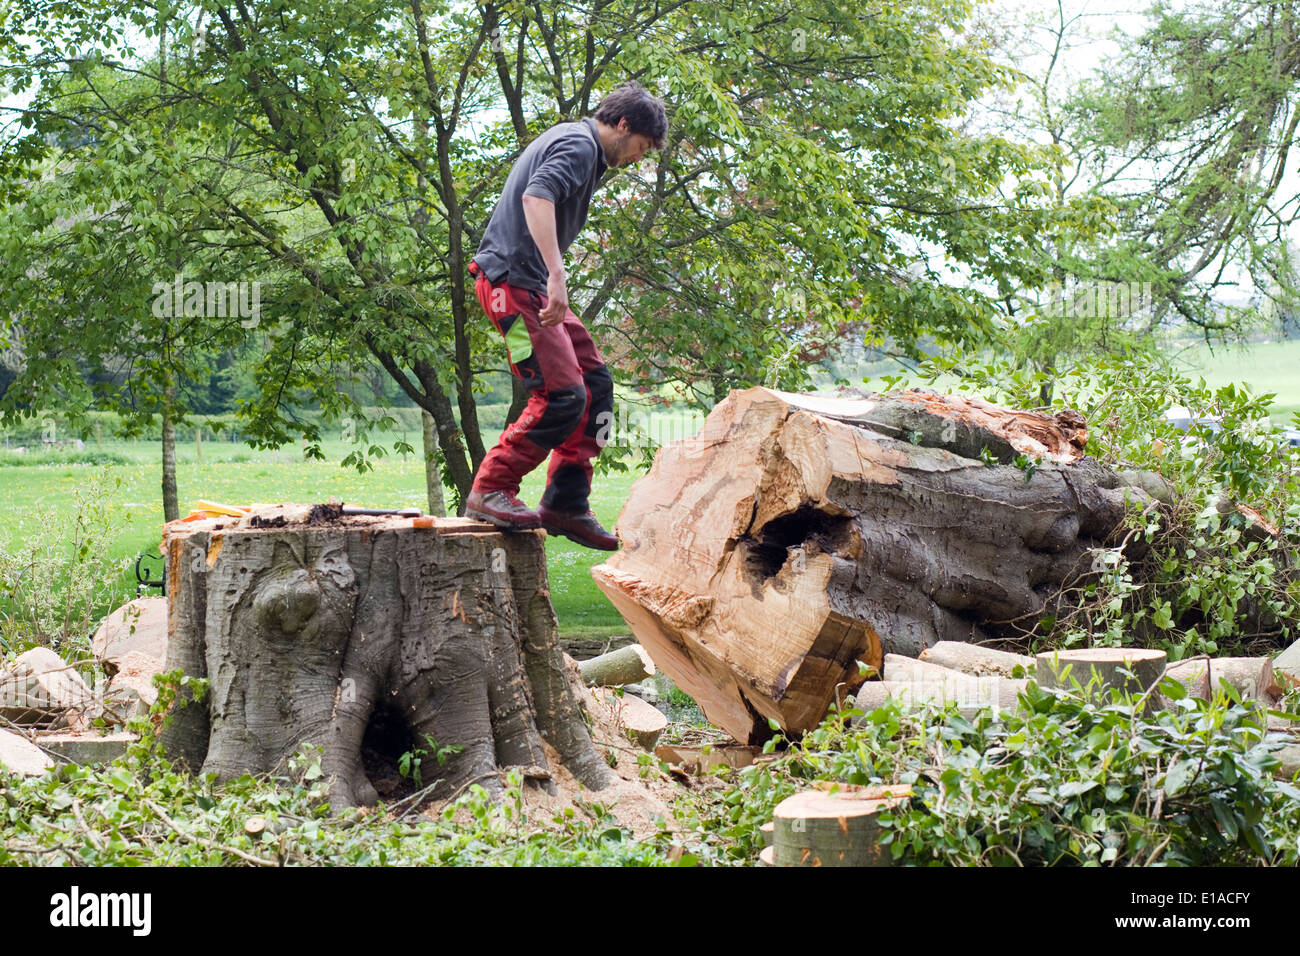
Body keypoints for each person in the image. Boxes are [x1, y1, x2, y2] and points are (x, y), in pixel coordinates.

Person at [466, 81, 667, 550]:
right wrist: (558, 276)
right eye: (640, 147)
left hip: (529, 288)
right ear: (622, 125)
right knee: (560, 396)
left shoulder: (580, 148)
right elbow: (536, 199)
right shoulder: (579, 145)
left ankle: (565, 502)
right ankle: (491, 487)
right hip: (511, 289)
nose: (638, 158)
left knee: (595, 386)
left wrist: (548, 280)